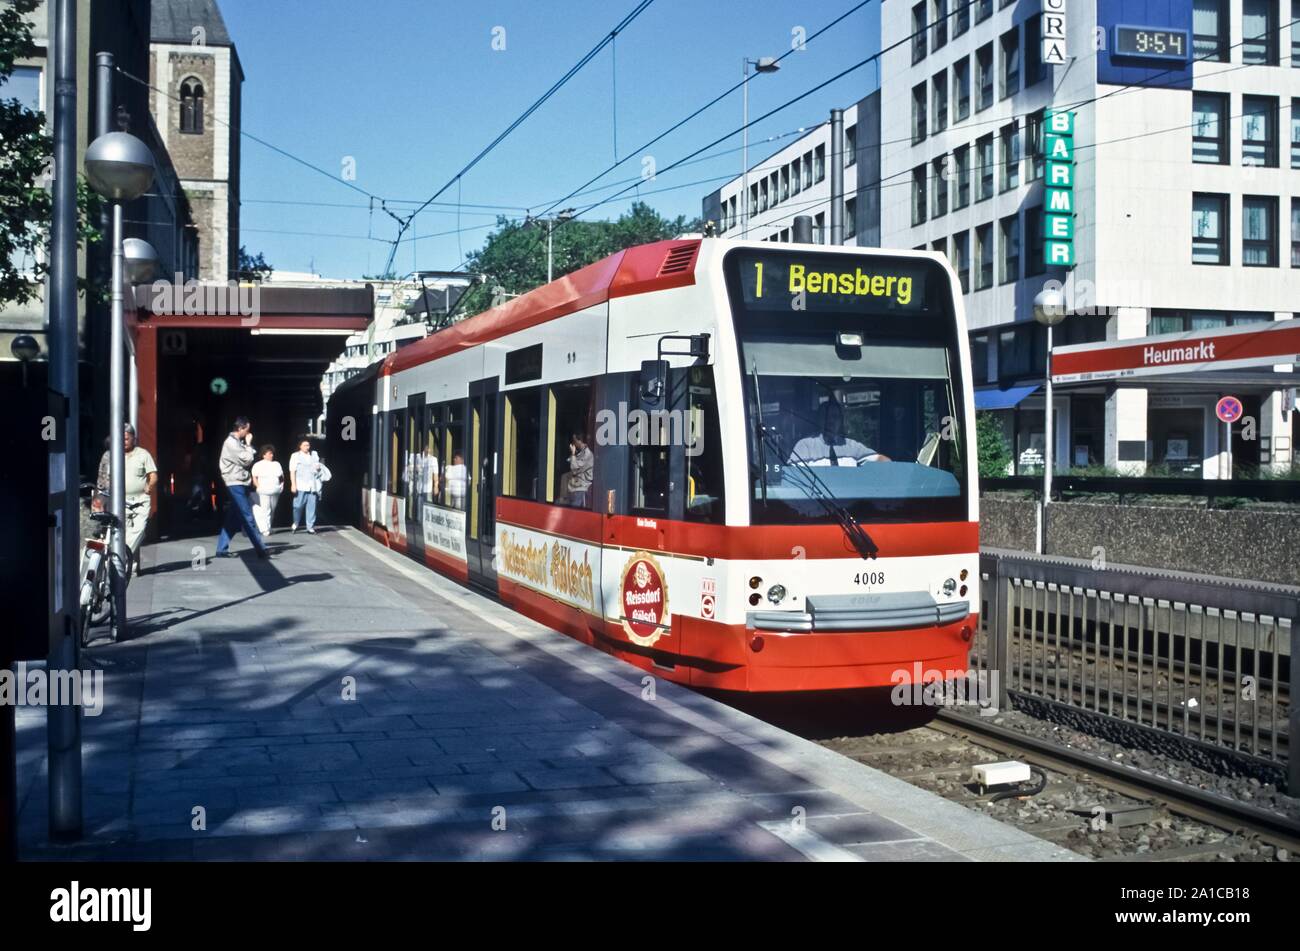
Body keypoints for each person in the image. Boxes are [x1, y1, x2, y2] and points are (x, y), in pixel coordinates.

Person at [94, 423, 158, 561]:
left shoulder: (143, 454)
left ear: (134, 438)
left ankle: (120, 557)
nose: (124, 442)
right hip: (119, 500)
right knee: (123, 531)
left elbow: (153, 475)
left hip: (140, 499)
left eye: (127, 438)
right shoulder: (112, 455)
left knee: (138, 530)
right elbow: (102, 478)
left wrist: (149, 488)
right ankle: (129, 565)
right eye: (121, 439)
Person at [215, 416, 269, 558]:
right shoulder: (231, 443)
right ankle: (261, 549)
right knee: (247, 516)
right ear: (240, 428)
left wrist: (246, 445)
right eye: (247, 430)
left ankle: (221, 548)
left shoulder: (236, 442)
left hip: (238, 482)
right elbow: (247, 459)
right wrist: (249, 444)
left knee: (232, 519)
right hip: (235, 482)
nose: (248, 433)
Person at [788, 399, 891, 467]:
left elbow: (882, 460)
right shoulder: (805, 446)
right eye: (826, 417)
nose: (831, 421)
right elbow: (795, 476)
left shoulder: (852, 446)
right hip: (817, 499)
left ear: (840, 421)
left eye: (835, 417)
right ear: (819, 419)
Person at [289, 437, 323, 533]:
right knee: (298, 505)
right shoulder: (295, 456)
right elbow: (292, 471)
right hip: (300, 484)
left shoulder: (314, 455)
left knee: (312, 506)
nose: (307, 447)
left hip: (312, 485)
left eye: (308, 445)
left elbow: (319, 467)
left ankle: (310, 526)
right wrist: (293, 484)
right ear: (300, 446)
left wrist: (318, 468)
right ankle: (296, 522)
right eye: (305, 445)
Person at [251, 444, 283, 537]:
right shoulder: (258, 465)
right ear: (264, 455)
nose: (271, 455)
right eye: (269, 453)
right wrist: (258, 487)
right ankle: (265, 529)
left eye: (272, 453)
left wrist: (280, 486)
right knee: (265, 510)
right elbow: (254, 477)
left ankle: (268, 527)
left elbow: (281, 477)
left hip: (275, 490)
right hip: (263, 490)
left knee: (272, 510)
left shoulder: (276, 464)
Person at [562, 432, 593, 506]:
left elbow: (574, 469)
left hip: (580, 489)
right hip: (574, 488)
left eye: (574, 441)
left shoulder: (587, 454)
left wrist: (573, 454)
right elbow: (569, 462)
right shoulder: (580, 453)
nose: (573, 443)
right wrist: (573, 454)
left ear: (580, 441)